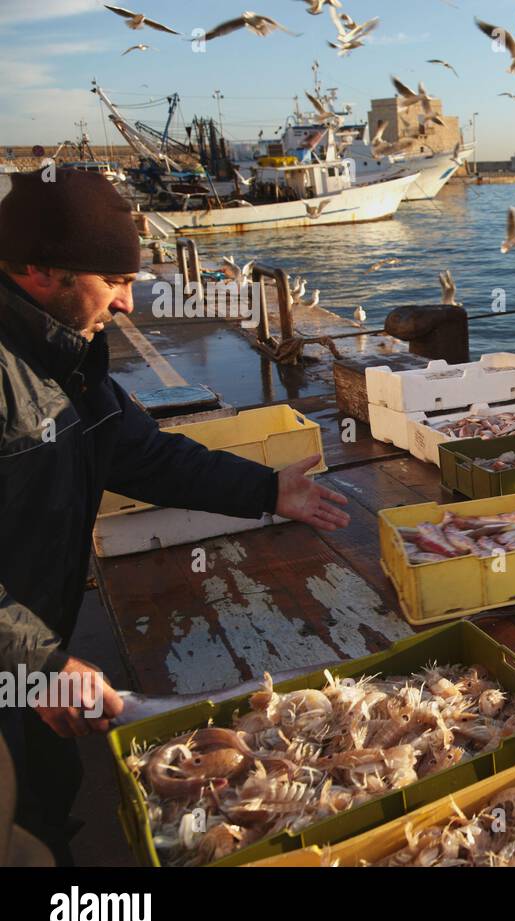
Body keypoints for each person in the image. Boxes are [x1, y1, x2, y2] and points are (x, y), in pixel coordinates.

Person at [0, 168, 350, 863]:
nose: (130, 304)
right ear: (40, 271)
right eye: (115, 281)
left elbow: (145, 455)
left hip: (34, 661)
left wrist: (265, 489)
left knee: (47, 805)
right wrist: (35, 663)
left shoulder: (65, 358)